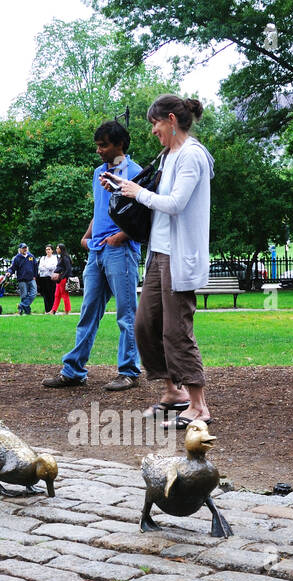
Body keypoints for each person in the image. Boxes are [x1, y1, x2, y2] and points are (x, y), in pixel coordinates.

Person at [114, 95, 214, 428]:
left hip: (179, 255)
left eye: (155, 123)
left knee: (176, 330)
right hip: (158, 252)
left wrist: (135, 192)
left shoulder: (191, 156)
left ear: (171, 120)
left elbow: (176, 203)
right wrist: (123, 187)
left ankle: (199, 406)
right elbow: (154, 196)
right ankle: (173, 392)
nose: (153, 130)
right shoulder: (168, 155)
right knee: (145, 325)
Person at [42, 120, 143, 391]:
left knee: (126, 314)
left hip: (121, 252)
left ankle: (129, 372)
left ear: (119, 144)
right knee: (88, 313)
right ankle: (73, 370)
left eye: (104, 145)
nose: (99, 150)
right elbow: (100, 210)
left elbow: (145, 217)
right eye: (97, 145)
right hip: (96, 252)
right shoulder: (99, 172)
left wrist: (120, 237)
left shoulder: (135, 173)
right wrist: (87, 236)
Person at [9, 242, 37, 315]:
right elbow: (12, 268)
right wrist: (9, 272)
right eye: (23, 248)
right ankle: (27, 311)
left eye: (25, 248)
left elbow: (35, 266)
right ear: (20, 249)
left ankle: (21, 305)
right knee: (24, 295)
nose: (25, 249)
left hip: (31, 278)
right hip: (22, 279)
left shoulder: (31, 256)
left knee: (34, 293)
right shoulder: (17, 258)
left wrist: (35, 275)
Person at [49, 244, 74, 315]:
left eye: (57, 248)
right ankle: (53, 310)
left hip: (63, 279)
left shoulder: (65, 258)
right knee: (57, 295)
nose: (56, 250)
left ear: (61, 249)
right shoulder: (61, 257)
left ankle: (67, 311)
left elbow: (68, 269)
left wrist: (62, 277)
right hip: (59, 279)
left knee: (64, 295)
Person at [36, 244, 58, 313]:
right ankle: (47, 310)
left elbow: (53, 267)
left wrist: (46, 266)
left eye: (49, 249)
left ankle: (52, 310)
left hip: (51, 278)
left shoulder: (54, 258)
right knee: (45, 294)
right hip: (43, 278)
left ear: (52, 250)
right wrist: (47, 267)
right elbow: (40, 267)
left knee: (51, 294)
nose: (47, 251)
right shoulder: (43, 258)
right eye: (46, 249)